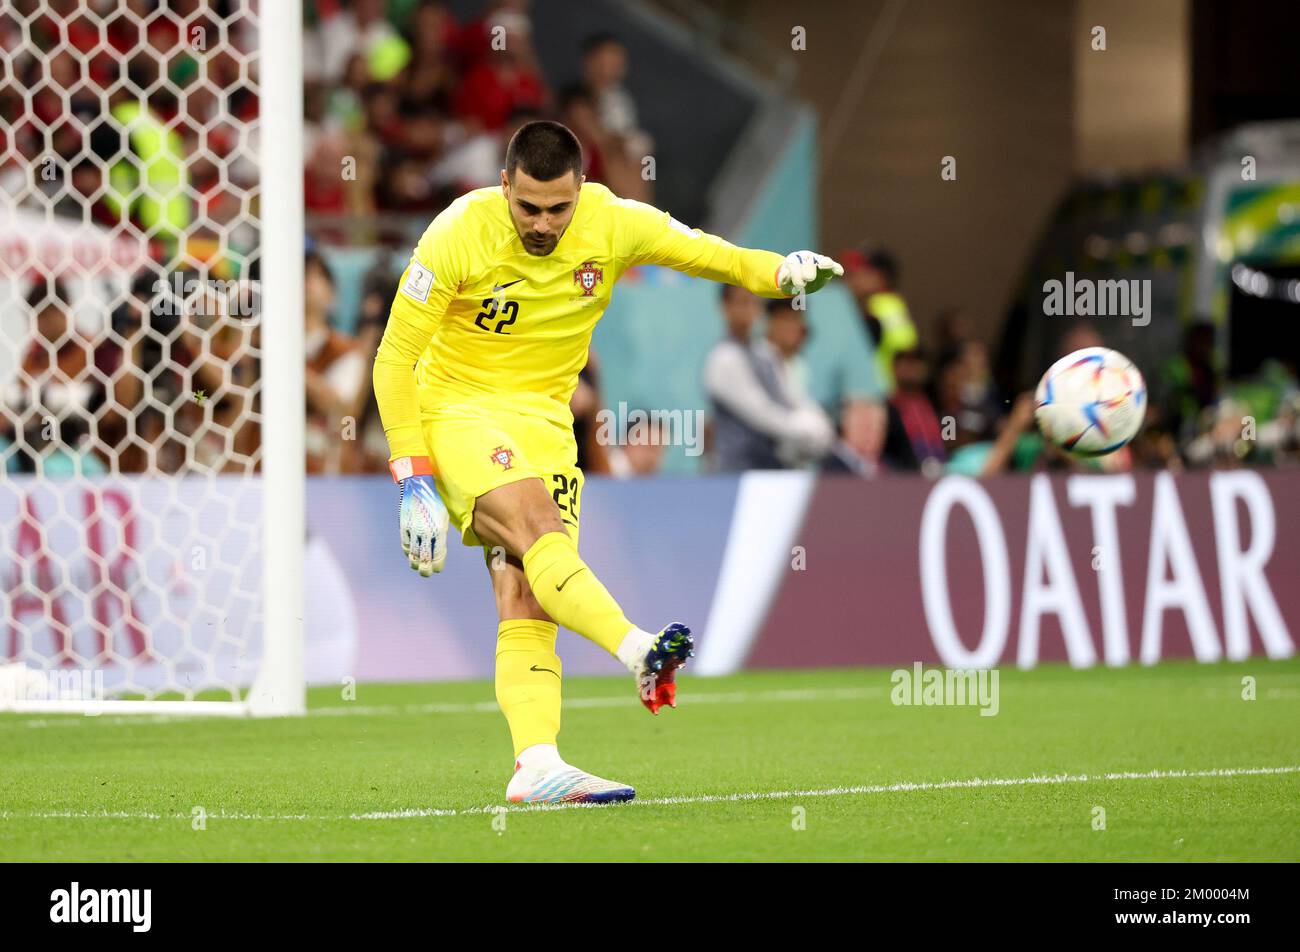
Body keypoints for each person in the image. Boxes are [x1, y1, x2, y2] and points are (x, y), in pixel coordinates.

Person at [372, 120, 842, 804]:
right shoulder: (457, 231)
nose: (541, 222)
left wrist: (781, 271)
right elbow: (393, 358)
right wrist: (412, 474)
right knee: (539, 532)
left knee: (528, 593)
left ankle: (535, 764)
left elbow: (710, 256)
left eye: (557, 208)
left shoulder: (614, 224)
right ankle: (638, 649)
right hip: (460, 406)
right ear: (504, 185)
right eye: (526, 206)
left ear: (581, 190)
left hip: (548, 424)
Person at [704, 289, 835, 471]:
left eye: (753, 303)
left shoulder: (764, 354)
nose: (748, 310)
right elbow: (760, 411)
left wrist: (818, 422)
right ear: (725, 308)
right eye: (741, 303)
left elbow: (791, 397)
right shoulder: (722, 358)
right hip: (736, 471)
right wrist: (806, 428)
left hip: (770, 469)